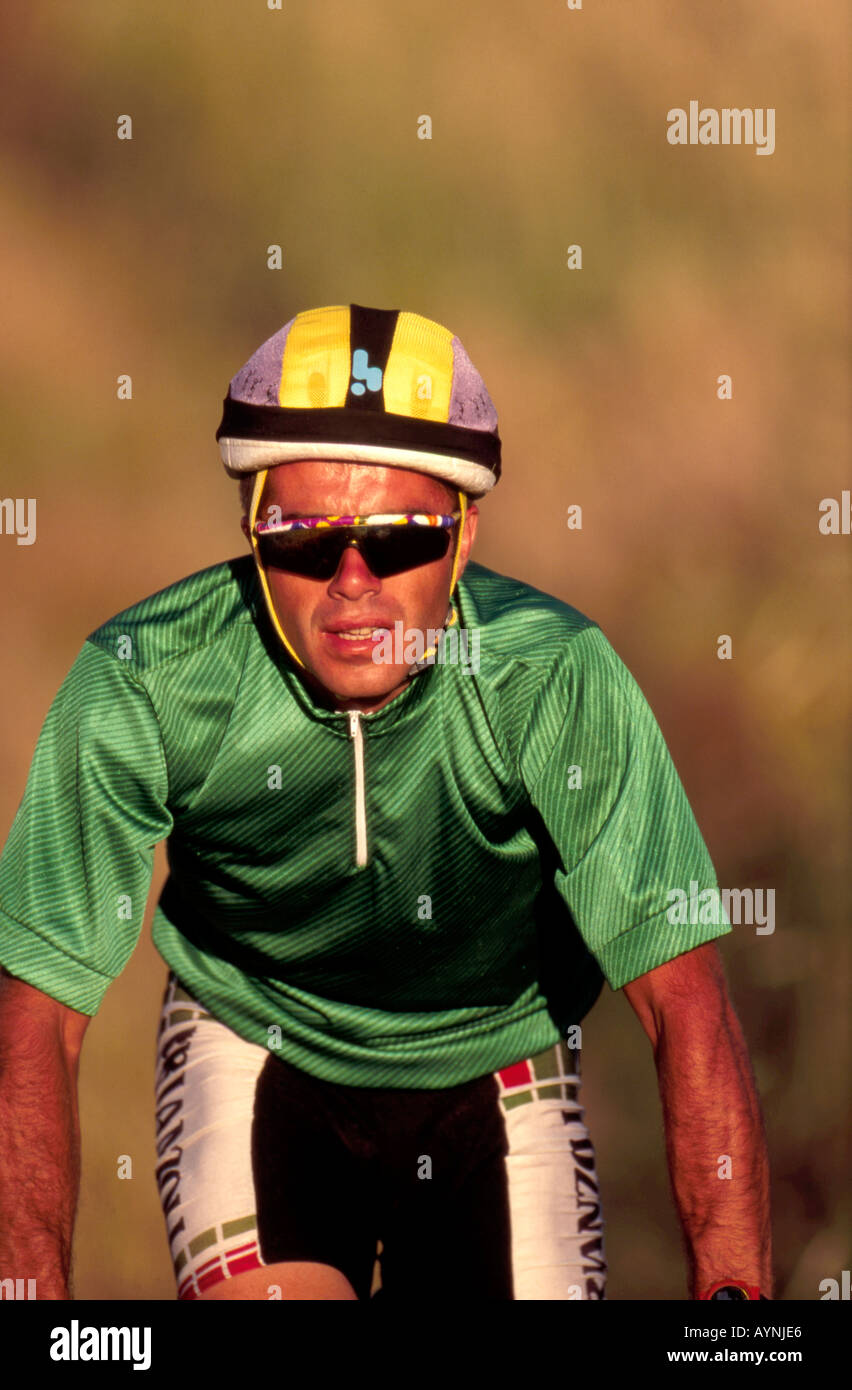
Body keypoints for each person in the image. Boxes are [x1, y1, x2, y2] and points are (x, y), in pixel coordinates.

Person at [0, 303, 771, 1302]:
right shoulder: (145, 677)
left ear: (464, 536)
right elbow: (39, 1011)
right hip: (256, 1046)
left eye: (400, 539)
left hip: (496, 1067)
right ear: (249, 531)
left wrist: (739, 1315)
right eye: (304, 540)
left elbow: (687, 1003)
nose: (353, 584)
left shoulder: (554, 678)